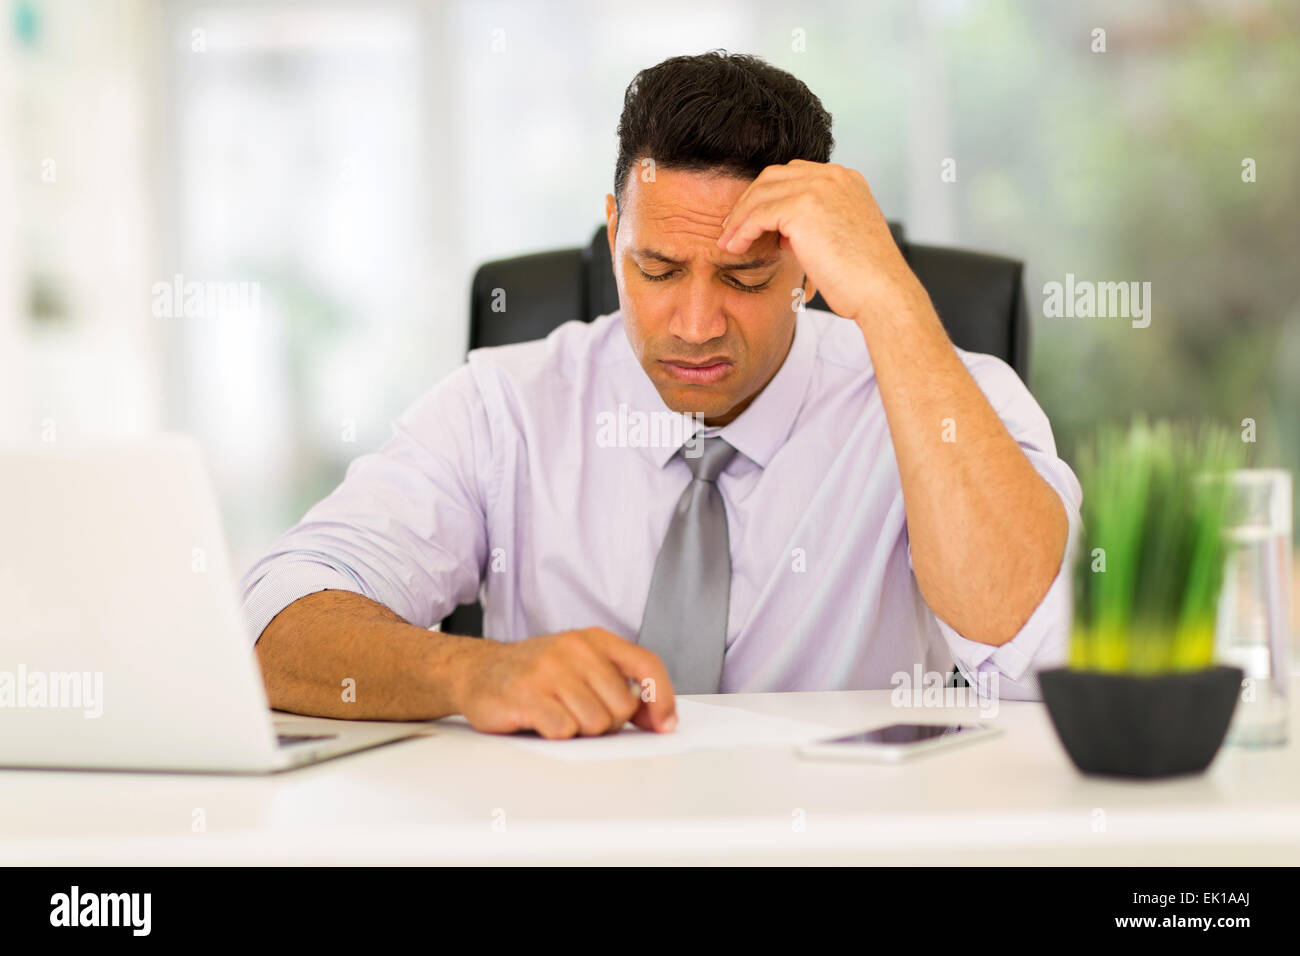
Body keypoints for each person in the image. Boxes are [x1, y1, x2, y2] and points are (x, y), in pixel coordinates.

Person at [241, 51, 1080, 740]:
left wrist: (893, 303)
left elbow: (1039, 649)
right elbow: (272, 619)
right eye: (658, 269)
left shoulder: (946, 395)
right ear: (615, 237)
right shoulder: (506, 407)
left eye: (747, 275)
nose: (695, 322)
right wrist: (470, 670)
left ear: (808, 267)